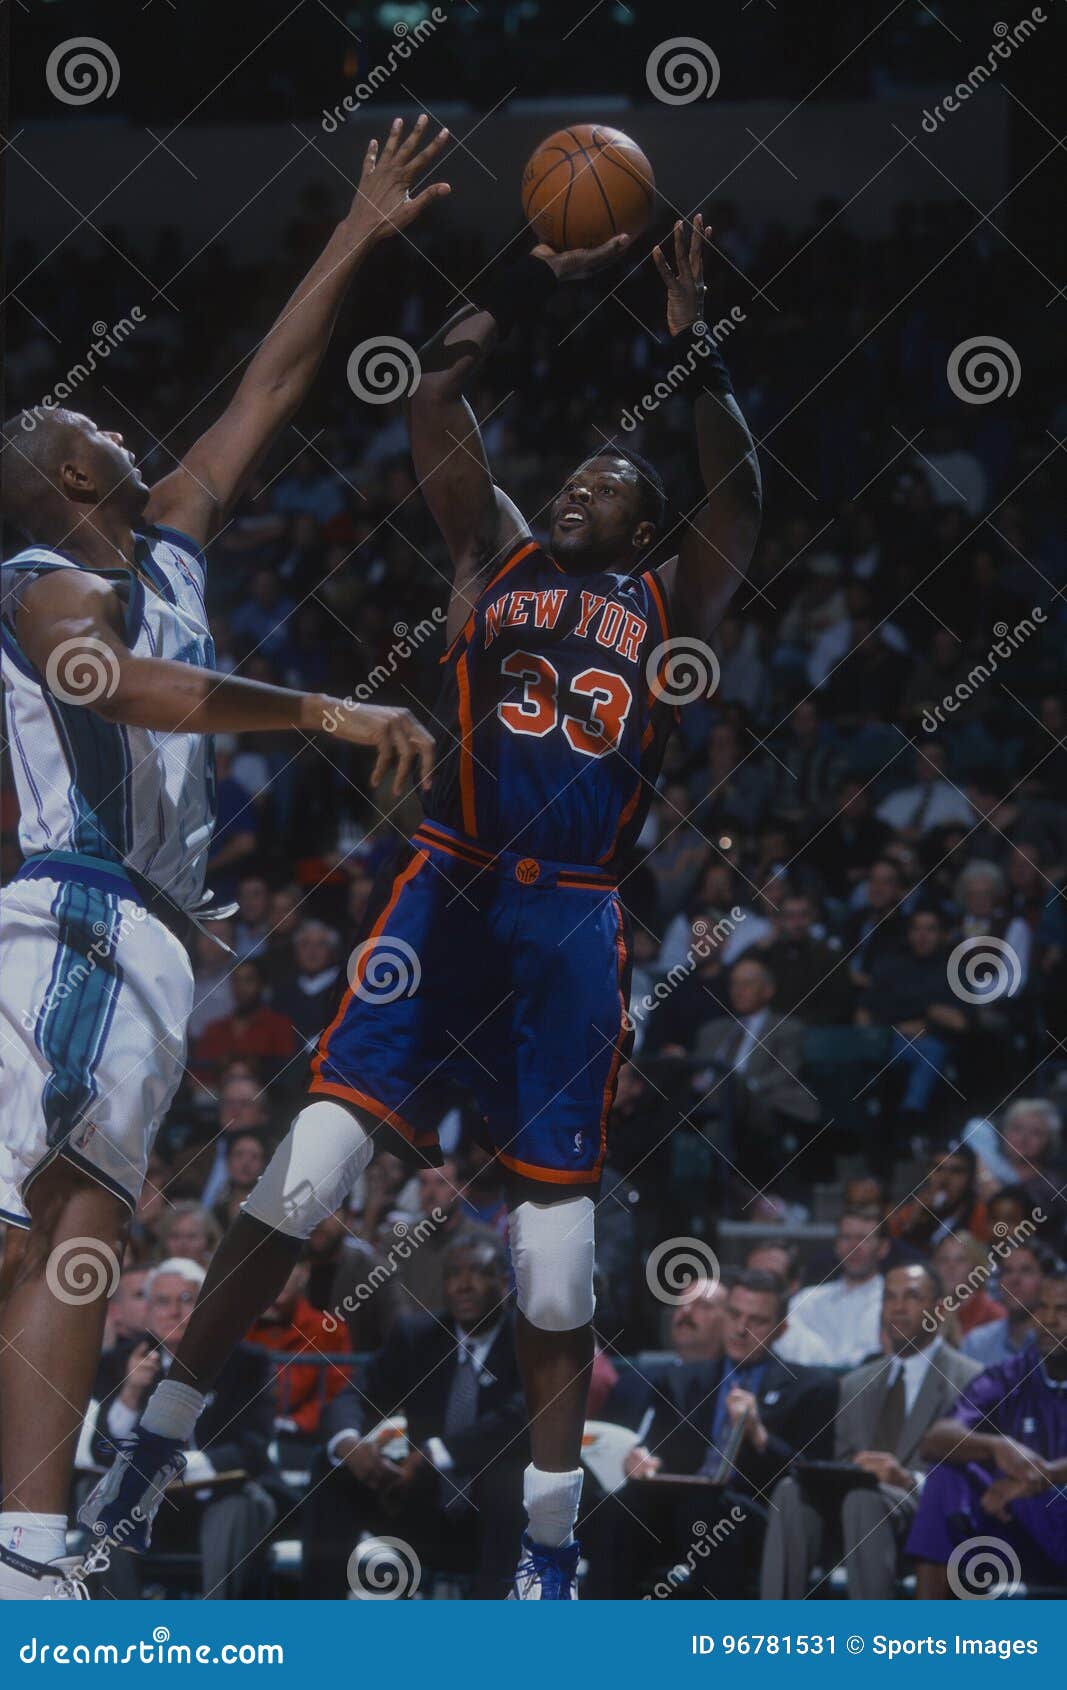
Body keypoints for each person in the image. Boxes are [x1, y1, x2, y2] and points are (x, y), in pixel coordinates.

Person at [88, 209, 762, 1603]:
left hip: (569, 923)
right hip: (443, 889)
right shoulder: (490, 557)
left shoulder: (668, 600)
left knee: (557, 1275)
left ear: (643, 523)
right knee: (297, 1179)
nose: (578, 486)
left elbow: (738, 487)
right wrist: (527, 271)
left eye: (608, 481)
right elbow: (436, 397)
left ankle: (548, 1553)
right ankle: (148, 1451)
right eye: (571, 472)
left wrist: (692, 350)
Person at [0, 116, 445, 1600]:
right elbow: (110, 686)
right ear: (68, 467)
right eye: (100, 426)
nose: (133, 432)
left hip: (148, 942)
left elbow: (266, 387)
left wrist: (355, 233)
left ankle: (28, 1558)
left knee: (79, 1235)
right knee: (20, 1224)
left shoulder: (169, 545)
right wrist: (321, 708)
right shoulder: (44, 581)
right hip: (72, 919)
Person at [302, 1231, 527, 1598]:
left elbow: (523, 1419)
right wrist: (350, 1445)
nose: (464, 1285)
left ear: (504, 1283)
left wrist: (434, 1455)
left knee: (506, 1479)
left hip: (498, 1515)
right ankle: (318, 1612)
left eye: (478, 1273)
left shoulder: (528, 1340)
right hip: (422, 1506)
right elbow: (354, 1397)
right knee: (330, 1469)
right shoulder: (417, 1337)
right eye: (453, 1274)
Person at [584, 1272, 836, 1598]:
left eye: (757, 1321)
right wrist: (643, 1459)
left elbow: (812, 1476)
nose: (741, 1329)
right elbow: (661, 1452)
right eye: (734, 1315)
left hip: (756, 1513)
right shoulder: (685, 1380)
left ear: (781, 1329)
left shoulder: (810, 1387)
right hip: (679, 1507)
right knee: (620, 1507)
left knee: (705, 1510)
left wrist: (760, 1435)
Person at [762, 1263, 982, 1599]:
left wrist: (909, 1480)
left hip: (924, 1508)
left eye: (912, 1297)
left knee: (863, 1500)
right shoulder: (855, 1383)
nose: (898, 1307)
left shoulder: (970, 1379)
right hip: (856, 1501)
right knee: (791, 1492)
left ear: (939, 1309)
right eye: (889, 1297)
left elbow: (972, 1472)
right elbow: (842, 1456)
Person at [89, 1258, 277, 1600]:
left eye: (187, 1300)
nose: (173, 1312)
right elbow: (101, 1452)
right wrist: (130, 1393)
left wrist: (178, 1467)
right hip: (147, 1510)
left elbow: (253, 1447)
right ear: (148, 1312)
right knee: (104, 1505)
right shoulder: (122, 1361)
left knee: (235, 1508)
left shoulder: (247, 1362)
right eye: (162, 1302)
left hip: (220, 1499)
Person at [908, 1270, 1067, 1594]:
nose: (1049, 1320)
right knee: (944, 1476)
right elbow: (936, 1438)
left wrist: (1045, 1475)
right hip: (1012, 1513)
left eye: (1063, 1310)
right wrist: (998, 1445)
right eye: (1042, 1308)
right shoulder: (1010, 1374)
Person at [789, 1208, 889, 1368]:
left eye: (864, 1239)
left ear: (883, 1248)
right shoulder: (807, 1299)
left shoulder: (895, 1302)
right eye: (846, 1238)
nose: (854, 1247)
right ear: (836, 1246)